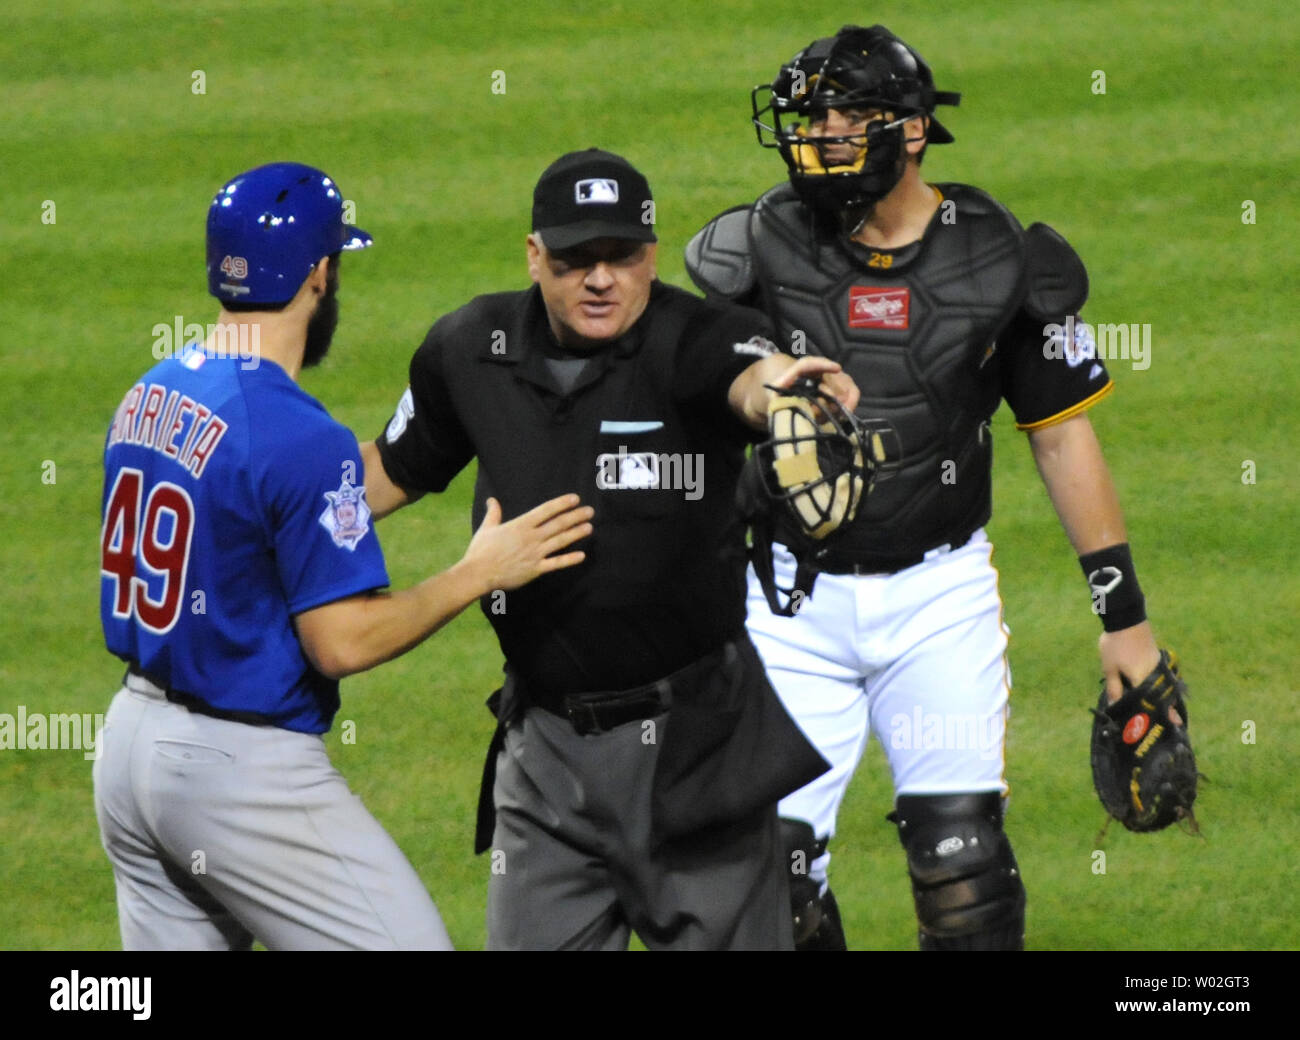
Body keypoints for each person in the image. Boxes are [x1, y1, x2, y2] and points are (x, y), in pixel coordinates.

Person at [687, 24, 1176, 950]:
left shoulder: (1002, 260)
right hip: (787, 602)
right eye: (813, 115)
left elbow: (1064, 441)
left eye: (847, 115)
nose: (822, 133)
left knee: (963, 876)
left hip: (938, 599)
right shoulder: (751, 248)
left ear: (911, 130)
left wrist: (1127, 623)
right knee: (767, 882)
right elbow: (700, 409)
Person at [360, 148, 859, 950]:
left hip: (698, 752)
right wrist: (262, 513)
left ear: (651, 256)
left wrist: (790, 397)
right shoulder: (469, 350)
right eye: (574, 259)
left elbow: (753, 377)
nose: (600, 279)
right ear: (533, 256)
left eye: (621, 257)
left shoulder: (696, 339)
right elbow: (386, 474)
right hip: (546, 763)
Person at [94, 161, 591, 951]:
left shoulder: (154, 391)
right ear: (319, 273)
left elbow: (274, 492)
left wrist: (420, 452)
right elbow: (343, 641)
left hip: (128, 750)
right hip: (238, 769)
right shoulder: (297, 434)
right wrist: (479, 571)